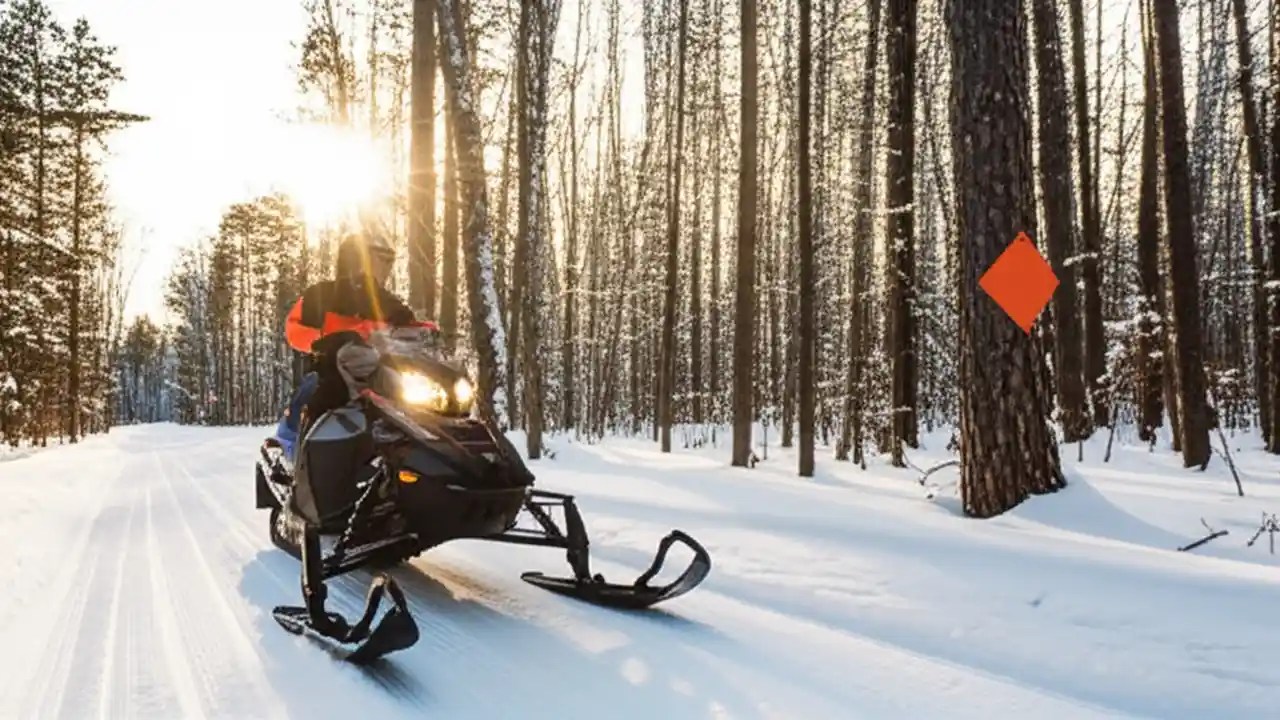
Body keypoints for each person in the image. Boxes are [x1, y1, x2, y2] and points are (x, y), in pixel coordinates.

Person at [275, 229, 433, 456]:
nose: (384, 269)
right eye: (380, 261)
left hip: (382, 374)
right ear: (357, 259)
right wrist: (325, 340)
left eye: (388, 262)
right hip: (331, 371)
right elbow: (293, 329)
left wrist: (428, 332)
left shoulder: (391, 304)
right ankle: (299, 458)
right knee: (311, 393)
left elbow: (412, 331)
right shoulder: (320, 295)